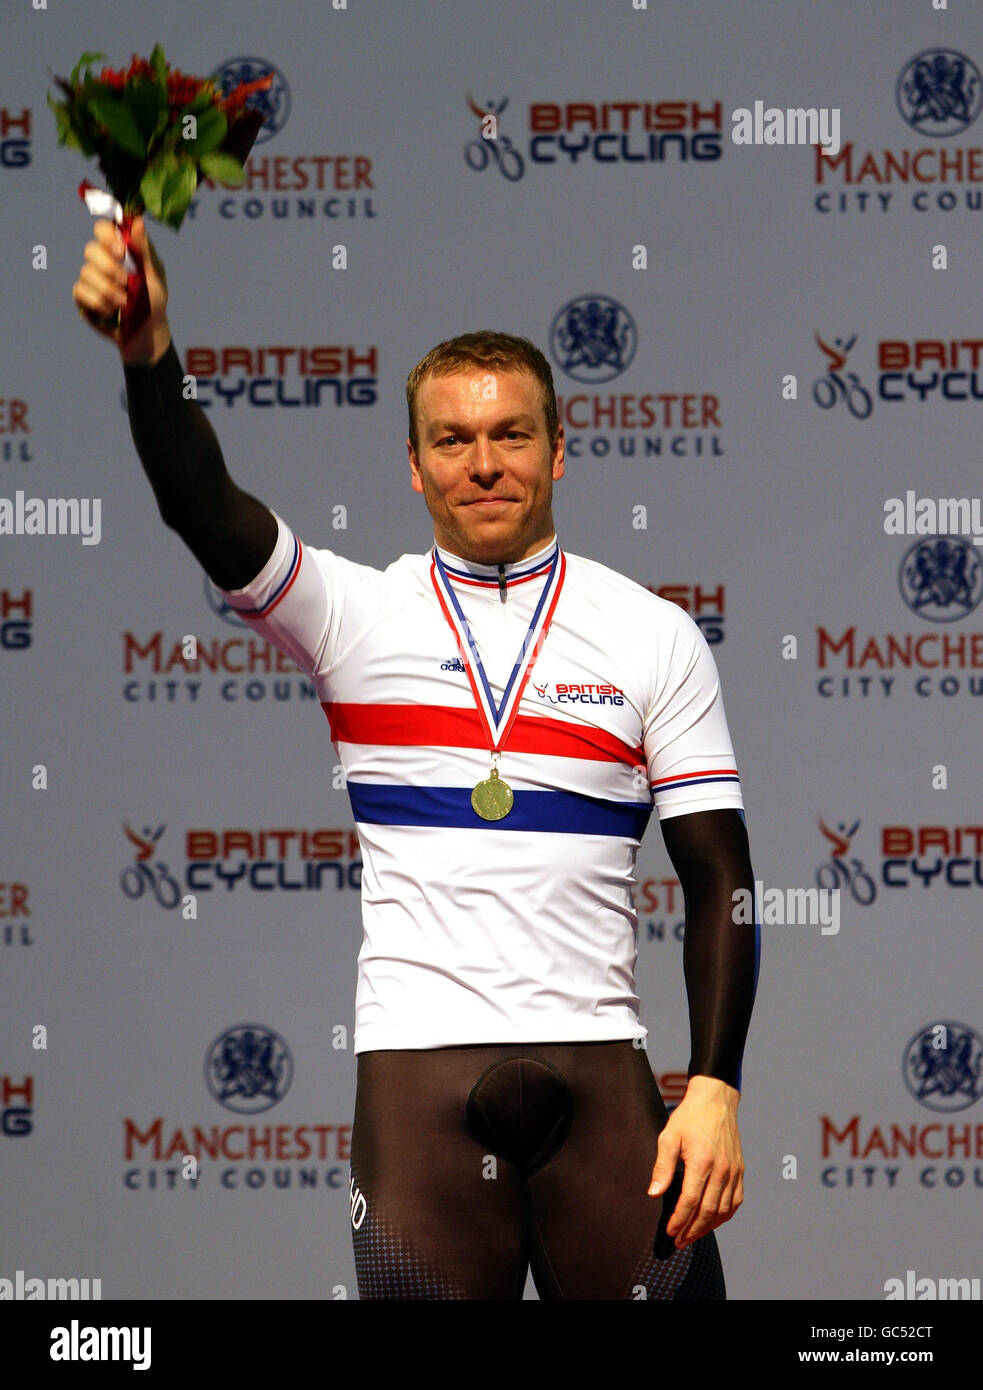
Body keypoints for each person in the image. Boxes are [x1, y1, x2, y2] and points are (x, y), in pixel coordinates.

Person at [74, 217, 759, 1300]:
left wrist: (714, 1084)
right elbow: (204, 511)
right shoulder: (357, 614)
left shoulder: (650, 633)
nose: (483, 463)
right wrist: (150, 354)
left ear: (558, 447)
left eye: (510, 434)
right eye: (451, 439)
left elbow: (719, 875)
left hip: (603, 1071)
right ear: (411, 464)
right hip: (418, 1088)